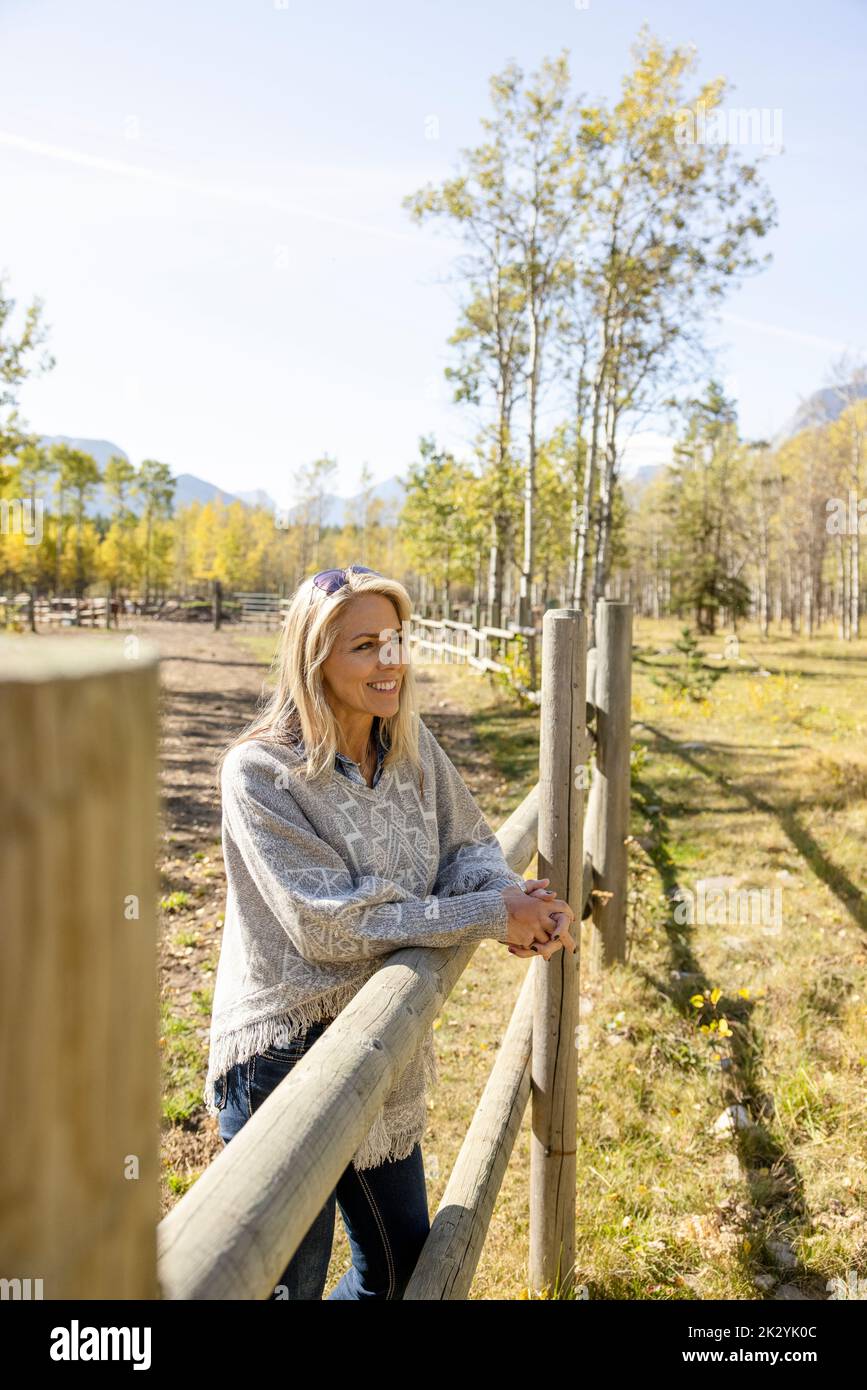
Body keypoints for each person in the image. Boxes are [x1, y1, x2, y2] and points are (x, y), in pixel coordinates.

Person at [203, 564, 576, 1299]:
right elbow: (330, 928)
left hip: (379, 1037)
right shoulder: (259, 774)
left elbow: (466, 844)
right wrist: (491, 916)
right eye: (365, 645)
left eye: (397, 640)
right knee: (287, 1285)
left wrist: (509, 897)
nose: (391, 661)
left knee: (399, 1269)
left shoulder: (407, 744)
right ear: (313, 660)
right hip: (282, 1053)